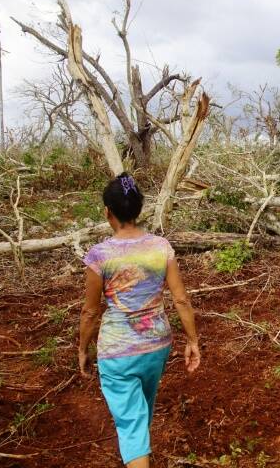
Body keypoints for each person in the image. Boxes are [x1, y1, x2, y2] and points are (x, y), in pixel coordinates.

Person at [78, 172, 200, 468]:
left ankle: (137, 458)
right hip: (156, 345)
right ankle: (139, 455)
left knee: (131, 423)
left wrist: (83, 348)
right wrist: (193, 340)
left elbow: (91, 311)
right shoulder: (160, 246)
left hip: (118, 351)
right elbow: (181, 299)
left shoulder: (99, 255)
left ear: (108, 213)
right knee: (141, 411)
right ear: (138, 210)